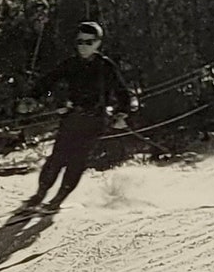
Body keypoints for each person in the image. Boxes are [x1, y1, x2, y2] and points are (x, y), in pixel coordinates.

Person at [17, 21, 137, 209]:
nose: (83, 46)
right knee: (57, 156)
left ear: (98, 43)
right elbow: (49, 81)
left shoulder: (105, 66)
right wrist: (33, 97)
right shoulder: (71, 64)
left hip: (95, 120)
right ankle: (40, 193)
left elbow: (122, 92)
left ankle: (59, 198)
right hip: (72, 117)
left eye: (89, 42)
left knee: (77, 159)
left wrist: (122, 113)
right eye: (80, 42)